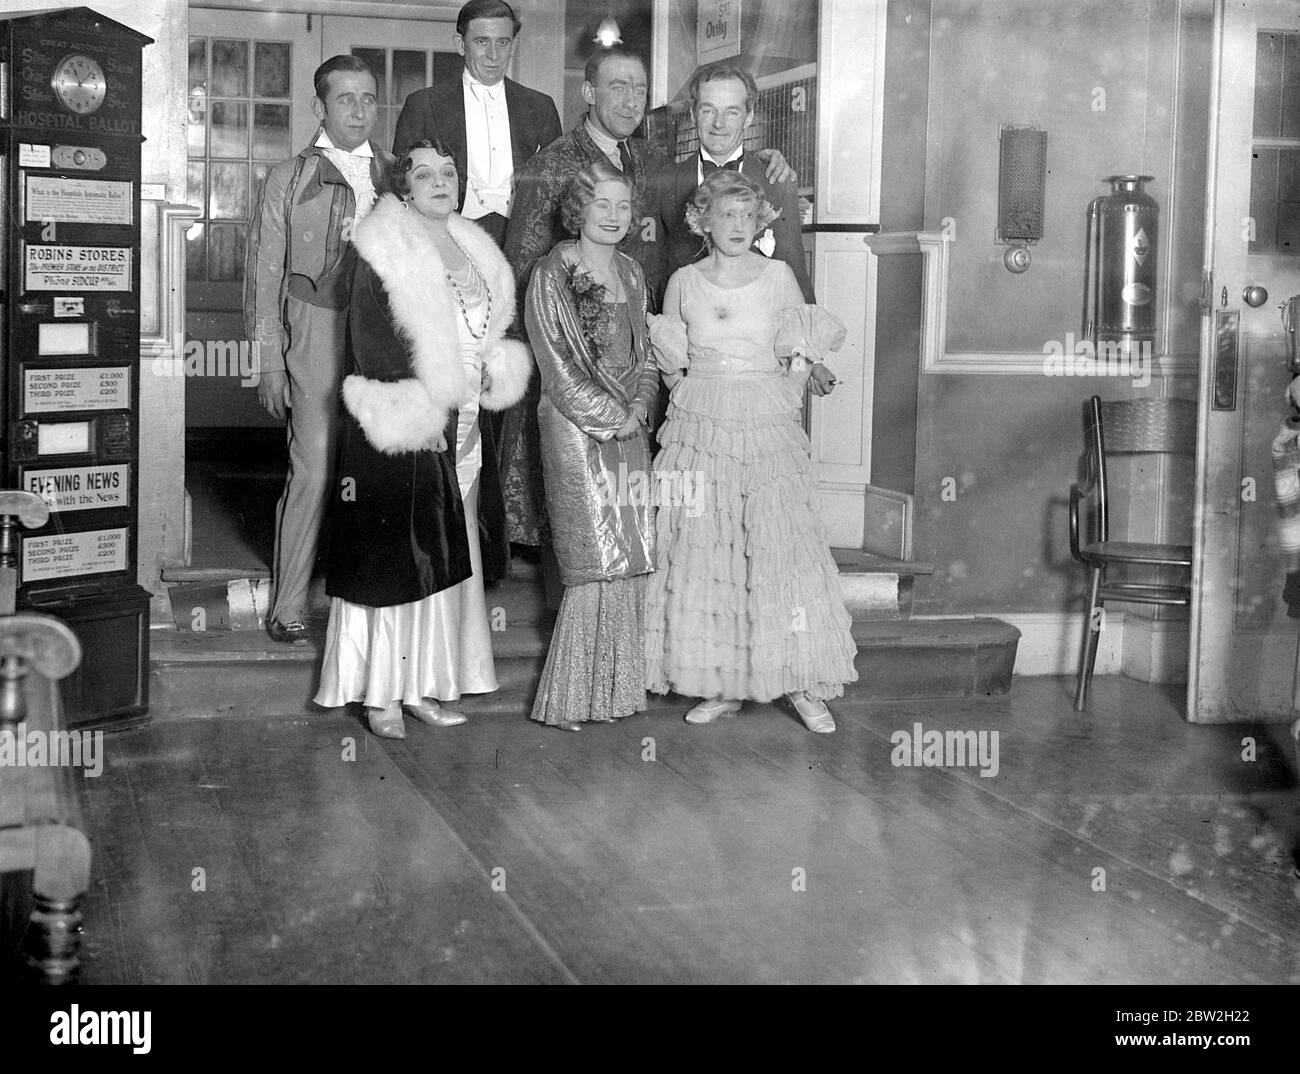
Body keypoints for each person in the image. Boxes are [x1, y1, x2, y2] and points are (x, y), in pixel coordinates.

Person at [500, 47, 795, 553]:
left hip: (650, 354)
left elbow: (719, 188)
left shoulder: (651, 162)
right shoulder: (553, 164)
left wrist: (766, 160)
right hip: (579, 357)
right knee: (578, 519)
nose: (631, 99)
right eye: (617, 86)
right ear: (589, 92)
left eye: (639, 89)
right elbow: (524, 266)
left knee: (647, 505)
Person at [313, 140, 531, 739]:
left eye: (450, 170)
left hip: (467, 419)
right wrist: (421, 414)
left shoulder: (474, 243)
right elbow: (372, 342)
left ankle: (427, 685)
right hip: (407, 422)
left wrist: (491, 368)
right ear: (402, 187)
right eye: (424, 173)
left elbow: (493, 329)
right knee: (397, 555)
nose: (440, 181)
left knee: (446, 549)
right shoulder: (381, 244)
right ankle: (382, 695)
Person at [644, 169, 857, 733]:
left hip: (767, 422)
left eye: (748, 215)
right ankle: (722, 683)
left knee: (780, 548)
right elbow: (672, 361)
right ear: (702, 221)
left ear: (762, 220)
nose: (738, 225)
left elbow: (799, 348)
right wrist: (692, 402)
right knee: (710, 550)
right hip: (702, 425)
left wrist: (786, 395)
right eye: (725, 214)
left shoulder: (779, 275)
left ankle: (801, 683)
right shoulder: (685, 280)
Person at [245, 56, 393, 645]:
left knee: (378, 469)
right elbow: (263, 275)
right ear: (321, 108)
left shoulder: (396, 172)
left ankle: (371, 603)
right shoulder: (289, 176)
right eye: (346, 99)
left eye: (368, 98)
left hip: (381, 334)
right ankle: (287, 606)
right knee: (315, 466)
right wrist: (268, 360)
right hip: (314, 327)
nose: (359, 110)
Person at [526, 162, 657, 731]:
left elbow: (648, 354)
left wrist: (640, 408)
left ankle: (615, 695)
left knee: (628, 555)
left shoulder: (632, 270)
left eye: (622, 206)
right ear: (578, 209)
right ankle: (568, 702)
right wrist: (613, 417)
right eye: (600, 204)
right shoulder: (552, 270)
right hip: (576, 431)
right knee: (591, 559)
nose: (612, 216)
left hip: (631, 430)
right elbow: (555, 366)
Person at [392, 0, 562, 248]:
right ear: (461, 45)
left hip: (523, 243)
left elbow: (556, 189)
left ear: (513, 45)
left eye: (502, 42)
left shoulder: (541, 106)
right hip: (446, 239)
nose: (493, 55)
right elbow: (401, 186)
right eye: (481, 42)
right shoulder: (422, 104)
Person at [652, 62, 815, 305]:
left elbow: (794, 272)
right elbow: (653, 276)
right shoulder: (664, 183)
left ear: (748, 117)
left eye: (732, 112)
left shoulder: (775, 182)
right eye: (708, 110)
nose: (719, 123)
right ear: (692, 113)